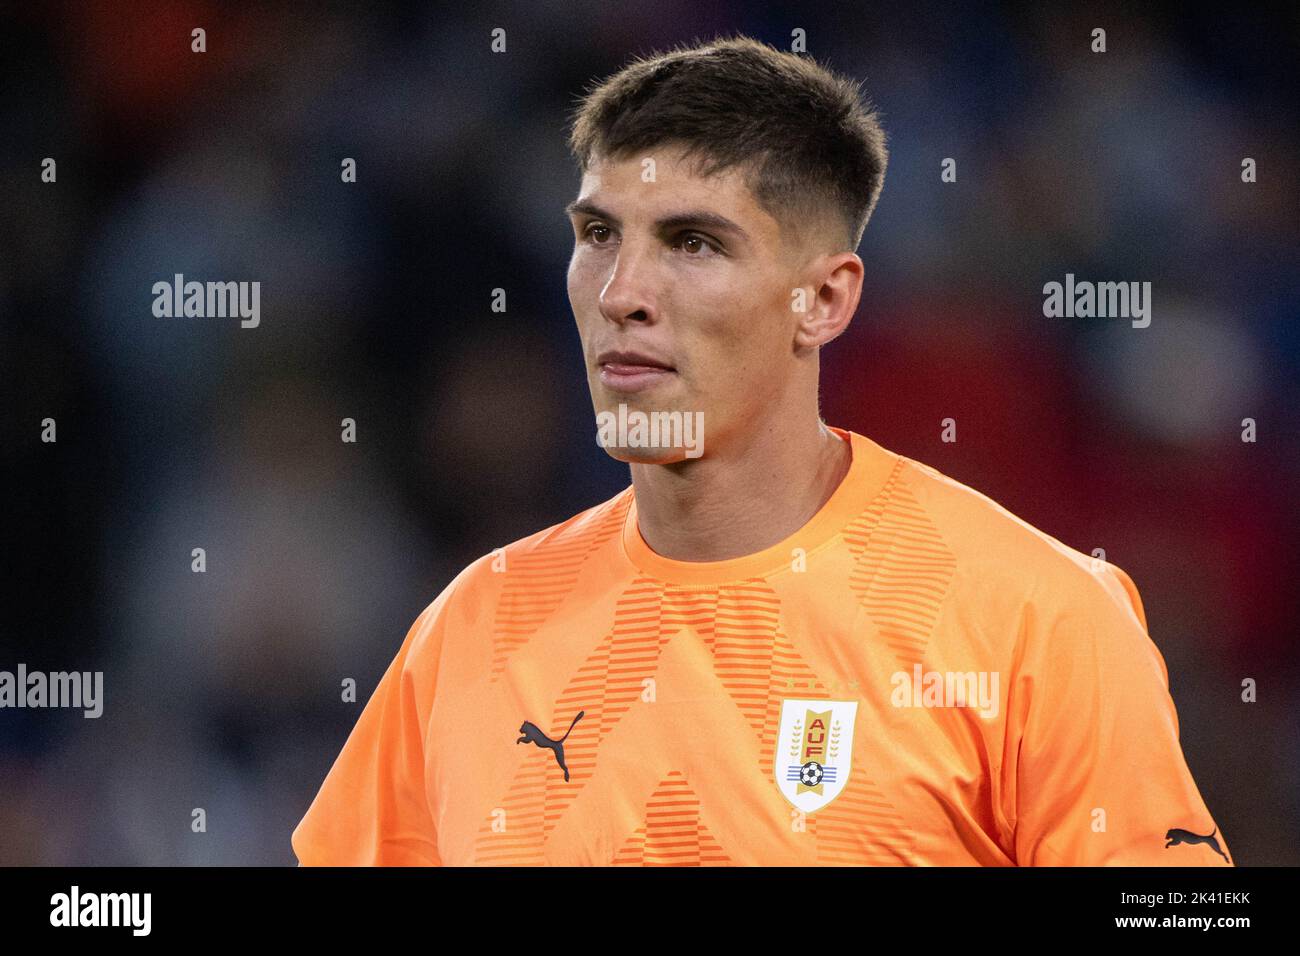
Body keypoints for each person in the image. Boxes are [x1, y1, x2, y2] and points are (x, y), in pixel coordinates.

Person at [292, 35, 1231, 866]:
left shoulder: (1036, 618)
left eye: (692, 243)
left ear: (821, 300)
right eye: (597, 235)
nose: (622, 292)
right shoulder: (473, 628)